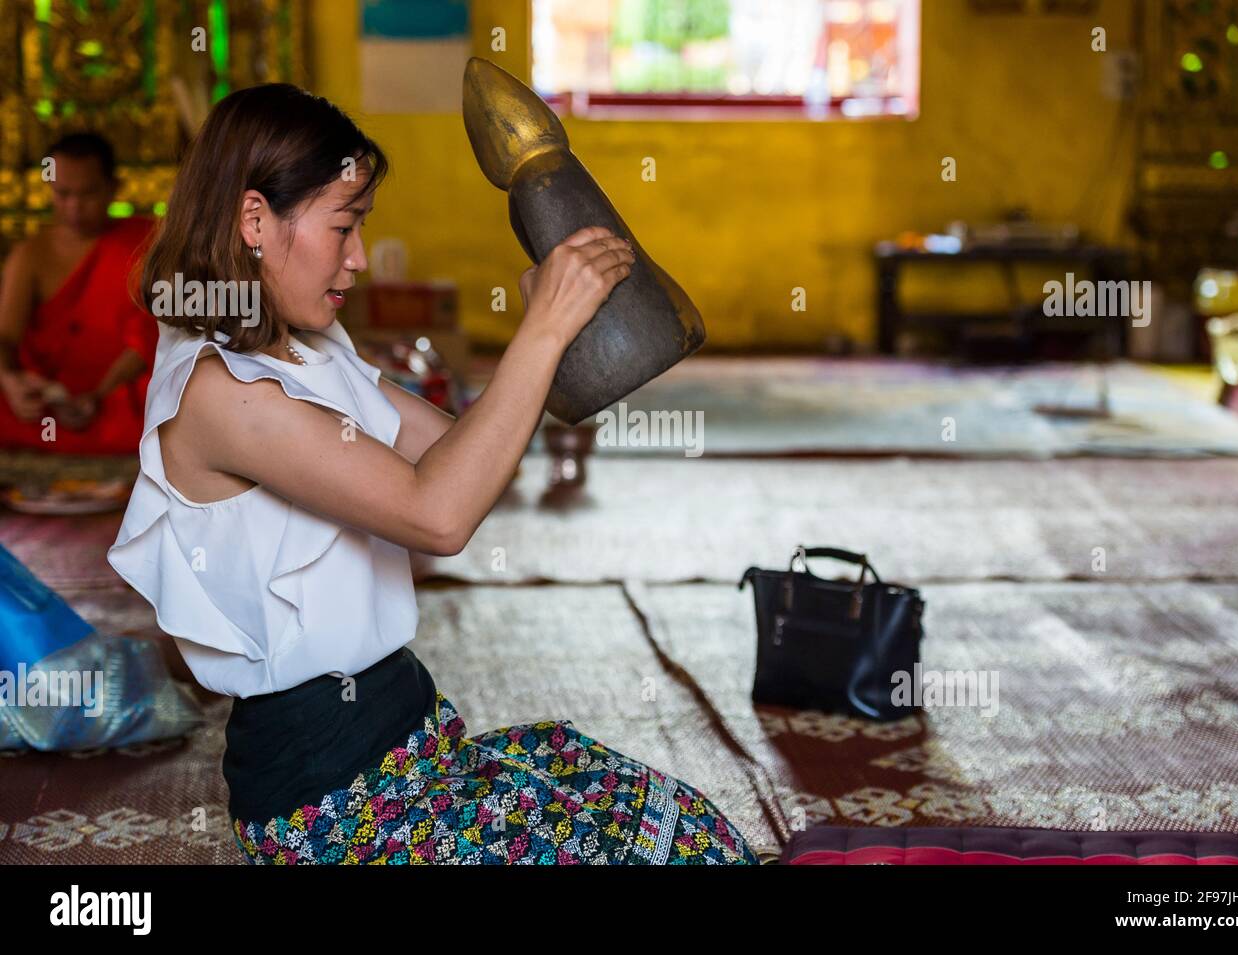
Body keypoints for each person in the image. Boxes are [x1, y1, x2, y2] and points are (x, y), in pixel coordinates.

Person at [105, 83, 759, 865]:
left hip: (413, 744)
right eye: (344, 226)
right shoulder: (220, 394)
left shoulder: (306, 349)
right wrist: (542, 336)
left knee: (673, 819)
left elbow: (457, 451)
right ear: (254, 220)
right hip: (338, 806)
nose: (357, 258)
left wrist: (544, 341)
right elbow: (438, 514)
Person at [0, 132, 158, 453]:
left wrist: (100, 394)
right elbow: (5, 338)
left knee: (174, 402)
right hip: (47, 404)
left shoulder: (145, 242)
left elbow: (153, 332)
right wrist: (10, 383)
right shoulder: (31, 254)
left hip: (119, 399)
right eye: (63, 193)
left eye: (88, 193)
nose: (74, 206)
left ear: (114, 188)